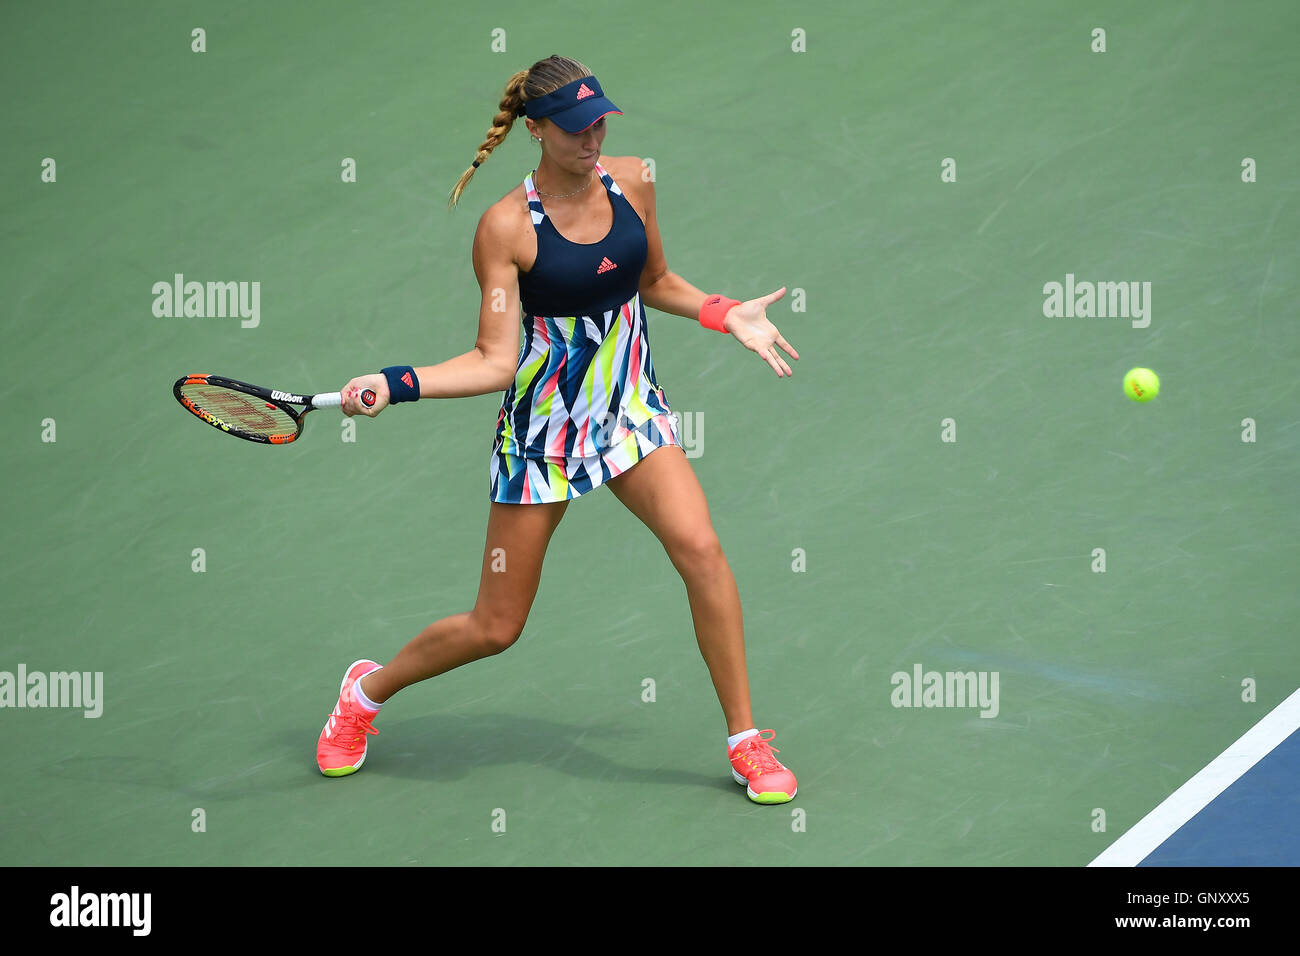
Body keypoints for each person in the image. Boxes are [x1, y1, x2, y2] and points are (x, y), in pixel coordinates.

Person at [318, 55, 801, 804]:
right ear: (536, 130)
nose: (593, 138)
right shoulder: (506, 228)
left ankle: (745, 741)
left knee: (703, 551)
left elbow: (654, 282)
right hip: (543, 435)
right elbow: (494, 360)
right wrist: (398, 382)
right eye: (576, 128)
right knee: (496, 626)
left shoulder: (633, 181)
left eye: (600, 122)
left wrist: (724, 311)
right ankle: (363, 693)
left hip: (629, 414)